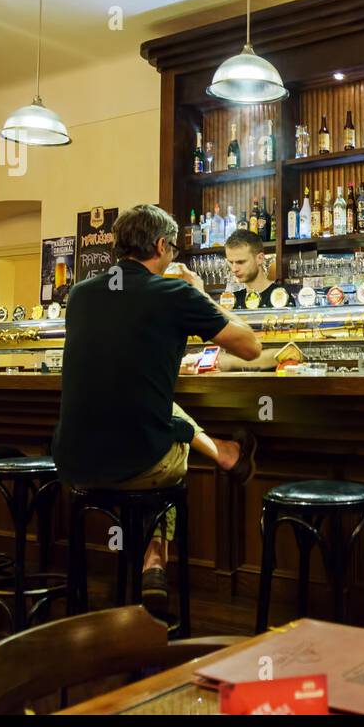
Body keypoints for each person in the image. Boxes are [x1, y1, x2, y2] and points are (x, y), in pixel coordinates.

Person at [53, 204, 262, 613]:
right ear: (162, 245)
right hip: (138, 460)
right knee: (159, 437)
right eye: (173, 250)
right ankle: (154, 556)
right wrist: (199, 293)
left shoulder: (79, 294)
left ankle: (222, 455)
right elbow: (250, 346)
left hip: (74, 460)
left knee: (153, 410)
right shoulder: (174, 293)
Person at [224, 228, 284, 310]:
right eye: (231, 262)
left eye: (241, 262)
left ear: (260, 258)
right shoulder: (231, 301)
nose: (234, 269)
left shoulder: (281, 297)